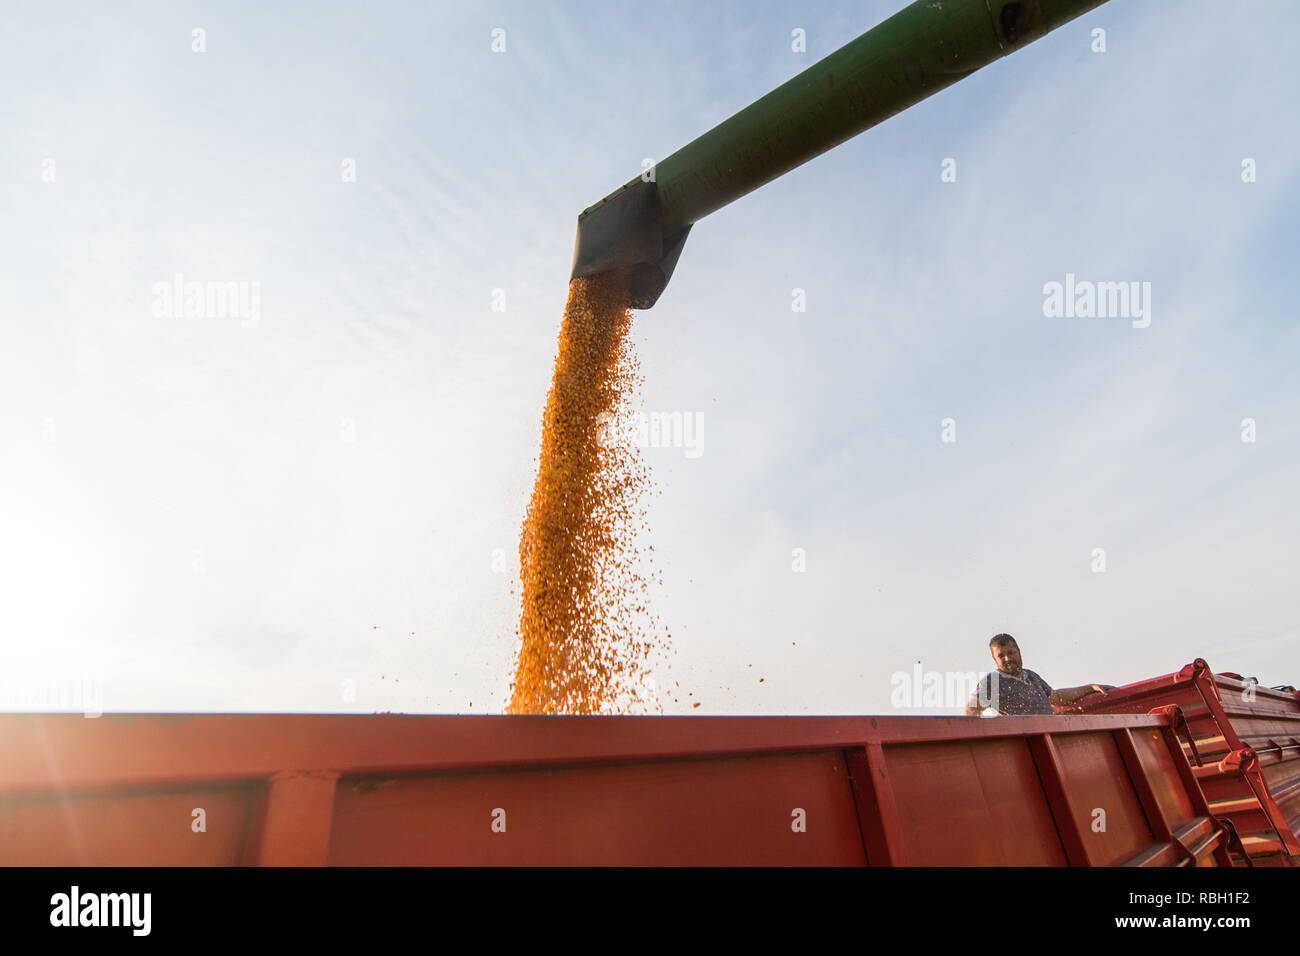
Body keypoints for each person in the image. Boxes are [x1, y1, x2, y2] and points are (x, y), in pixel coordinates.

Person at [964, 633, 1115, 716]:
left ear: (1019, 651)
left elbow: (1056, 697)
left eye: (1011, 653)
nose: (1008, 659)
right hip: (1026, 744)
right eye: (1001, 656)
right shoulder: (993, 681)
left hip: (1049, 735)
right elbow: (971, 709)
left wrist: (1090, 688)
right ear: (994, 659)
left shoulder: (1031, 676)